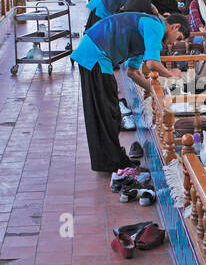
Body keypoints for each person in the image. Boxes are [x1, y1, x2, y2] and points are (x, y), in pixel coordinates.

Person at [73, 12, 187, 173]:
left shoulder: (147, 34)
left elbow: (133, 72)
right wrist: (172, 74)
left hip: (96, 55)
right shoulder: (155, 26)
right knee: (106, 111)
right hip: (95, 55)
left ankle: (112, 159)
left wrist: (156, 91)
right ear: (175, 27)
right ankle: (112, 162)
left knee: (109, 111)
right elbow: (153, 63)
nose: (175, 43)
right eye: (178, 37)